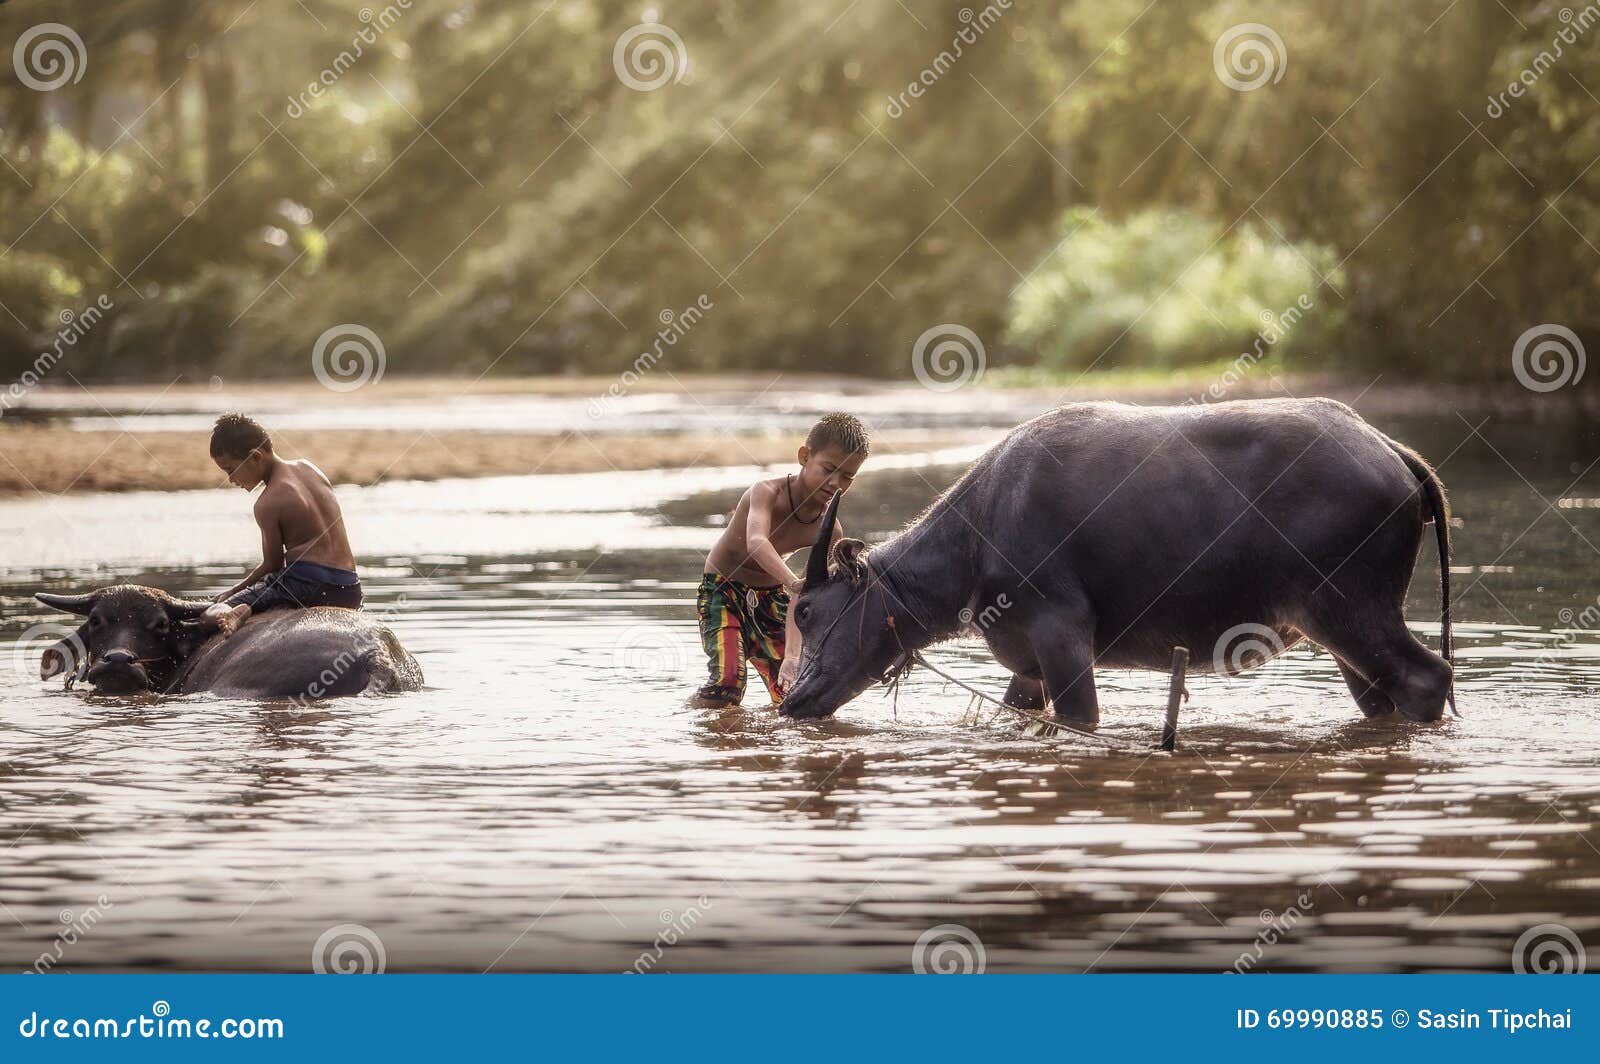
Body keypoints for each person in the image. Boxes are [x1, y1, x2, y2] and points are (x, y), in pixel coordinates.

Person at [694, 412, 870, 707]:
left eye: (847, 477)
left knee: (793, 695)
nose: (835, 482)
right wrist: (792, 582)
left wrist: (791, 655)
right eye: (828, 469)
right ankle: (692, 719)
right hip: (722, 591)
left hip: (772, 598)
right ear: (804, 456)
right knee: (727, 685)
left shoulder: (830, 529)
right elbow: (756, 542)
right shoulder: (766, 492)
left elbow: (805, 597)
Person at [202, 413, 362, 636]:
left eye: (231, 470)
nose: (230, 479)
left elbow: (272, 565)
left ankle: (237, 611)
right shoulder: (310, 469)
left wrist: (233, 591)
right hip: (350, 588)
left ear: (255, 456)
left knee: (211, 613)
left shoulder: (267, 503)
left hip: (307, 587)